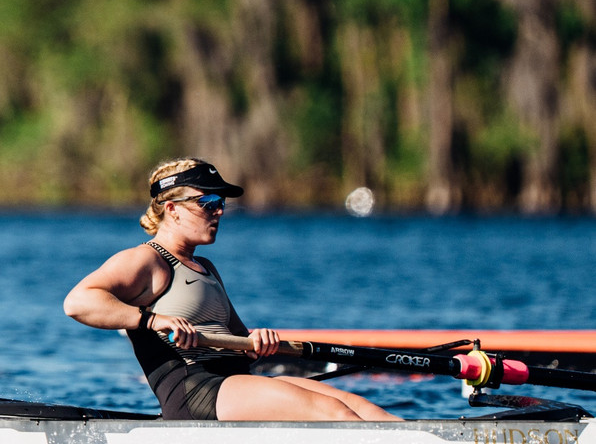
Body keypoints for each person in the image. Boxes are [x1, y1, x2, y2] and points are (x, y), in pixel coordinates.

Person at [63, 157, 399, 422]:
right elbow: (78, 302)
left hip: (234, 378)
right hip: (194, 389)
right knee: (334, 414)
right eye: (208, 202)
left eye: (221, 201)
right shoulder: (145, 261)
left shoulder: (208, 268)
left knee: (364, 410)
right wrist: (151, 320)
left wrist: (258, 342)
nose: (220, 211)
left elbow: (241, 340)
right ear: (173, 209)